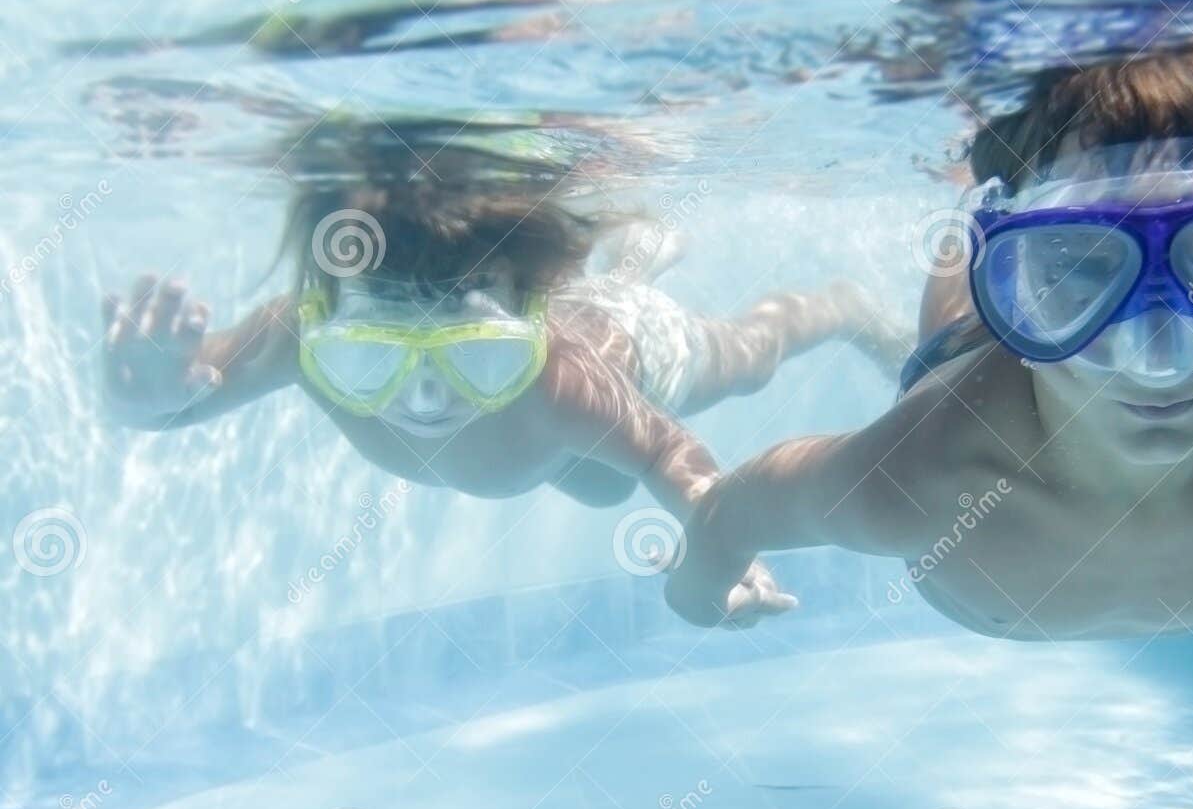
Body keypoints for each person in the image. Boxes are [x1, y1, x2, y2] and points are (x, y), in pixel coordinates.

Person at [667, 36, 1193, 726]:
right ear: (1012, 276)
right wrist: (698, 594)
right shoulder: (921, 475)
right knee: (954, 318)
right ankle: (869, 302)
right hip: (969, 358)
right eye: (1079, 264)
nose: (1158, 357)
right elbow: (737, 508)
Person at [101, 136, 903, 619]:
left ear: (527, 332)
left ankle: (837, 306)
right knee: (596, 481)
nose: (424, 397)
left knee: (748, 359)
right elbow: (179, 400)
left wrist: (725, 541)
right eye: (371, 355)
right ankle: (633, 260)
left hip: (631, 349)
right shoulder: (297, 337)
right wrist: (148, 392)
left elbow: (668, 453)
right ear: (324, 320)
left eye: (478, 355)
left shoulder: (564, 383)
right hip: (557, 431)